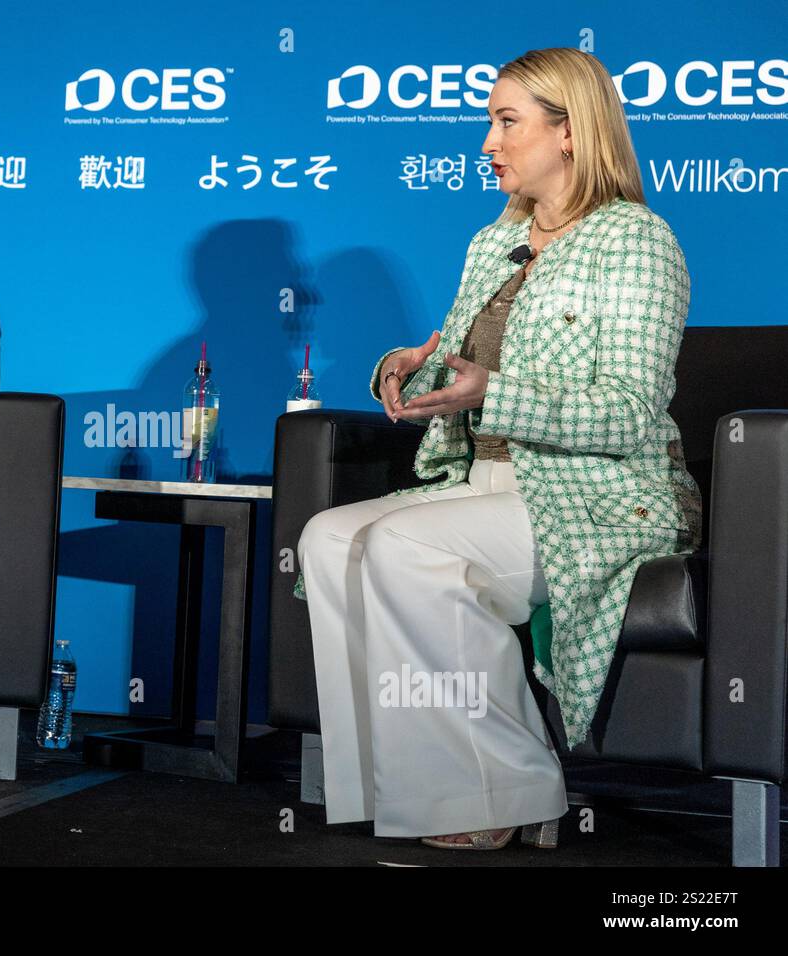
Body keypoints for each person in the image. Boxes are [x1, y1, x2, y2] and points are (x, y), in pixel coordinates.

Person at [296, 47, 702, 849]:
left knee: (409, 547)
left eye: (507, 121)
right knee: (329, 536)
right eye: (490, 120)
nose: (488, 141)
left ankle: (504, 792)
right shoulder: (496, 239)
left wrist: (492, 392)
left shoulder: (638, 242)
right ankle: (400, 785)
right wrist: (405, 371)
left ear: (571, 133)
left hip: (600, 499)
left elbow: (627, 414)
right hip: (483, 483)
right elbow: (453, 355)